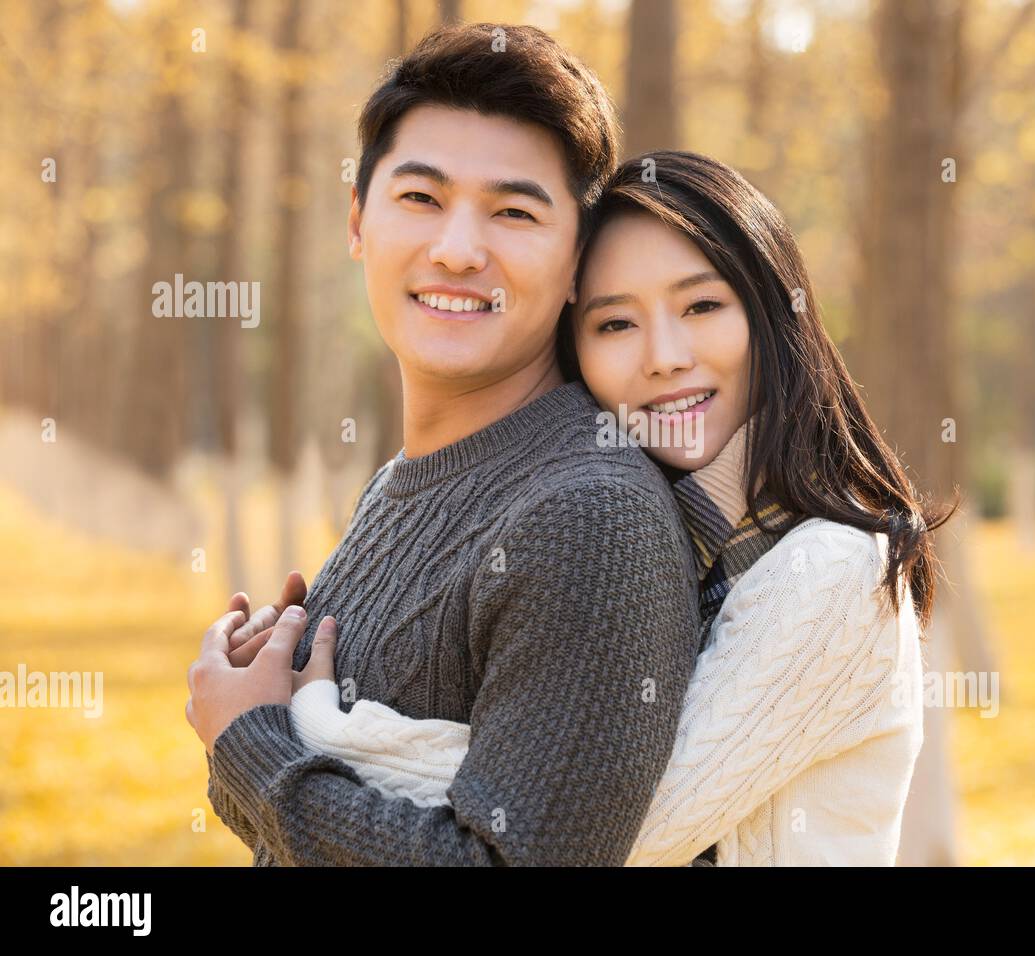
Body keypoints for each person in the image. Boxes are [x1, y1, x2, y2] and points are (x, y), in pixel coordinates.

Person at [245, 150, 951, 866]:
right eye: (616, 325)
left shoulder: (830, 569)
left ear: (772, 315)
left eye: (702, 306)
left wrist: (306, 728)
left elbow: (597, 829)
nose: (666, 357)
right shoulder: (668, 532)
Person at [185, 23, 703, 866]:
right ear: (357, 221)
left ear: (580, 259)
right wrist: (270, 702)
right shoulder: (400, 483)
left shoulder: (590, 515)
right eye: (420, 199)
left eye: (513, 211)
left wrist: (248, 745)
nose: (458, 251)